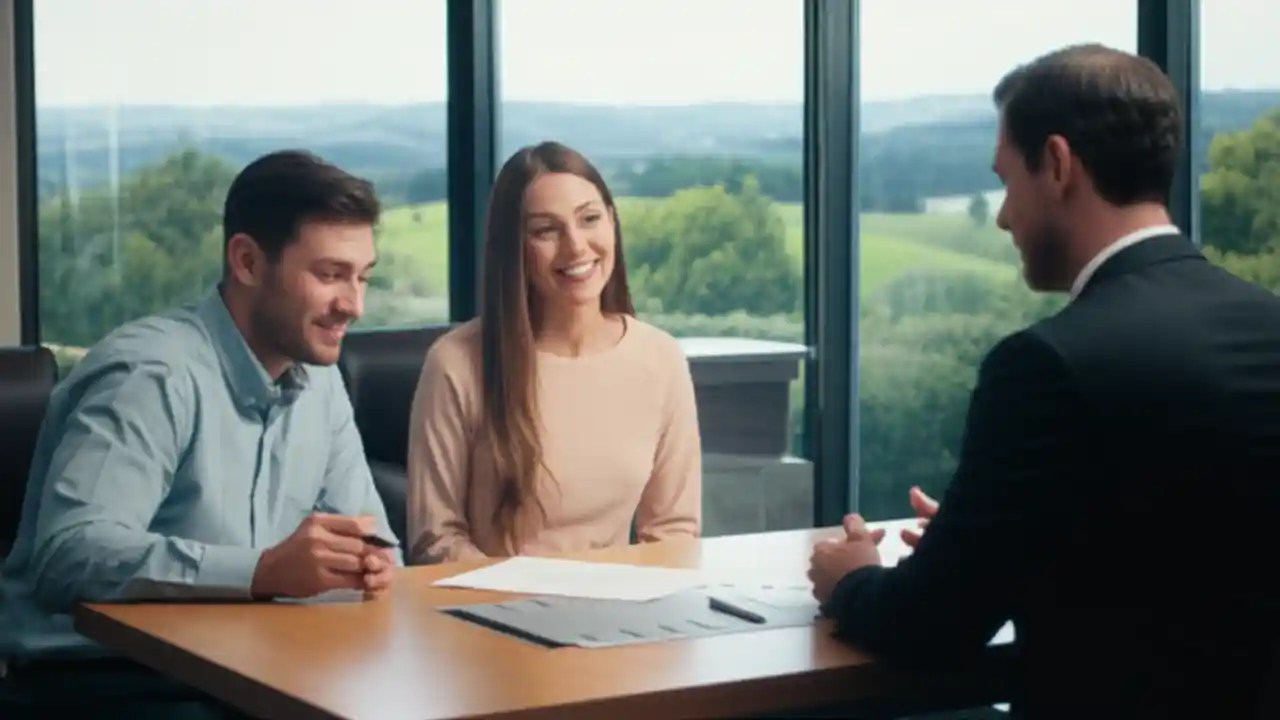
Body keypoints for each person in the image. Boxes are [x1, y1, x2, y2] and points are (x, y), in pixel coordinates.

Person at [809, 43, 1280, 719]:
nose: (1003, 216)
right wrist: (996, 537)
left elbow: (929, 628)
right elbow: (1186, 551)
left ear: (1057, 165)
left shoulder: (1047, 365)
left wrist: (851, 579)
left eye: (1006, 182)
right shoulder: (1269, 325)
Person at [0, 149, 400, 718]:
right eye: (330, 274)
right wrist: (262, 571)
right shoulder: (153, 373)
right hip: (108, 685)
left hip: (255, 670)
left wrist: (369, 564)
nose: (353, 305)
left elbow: (379, 547)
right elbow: (70, 553)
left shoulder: (320, 379)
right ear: (247, 261)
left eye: (363, 277)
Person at [406, 141, 701, 564]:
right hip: (490, 613)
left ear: (612, 222)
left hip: (617, 615)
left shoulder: (660, 357)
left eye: (590, 219)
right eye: (546, 230)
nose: (576, 246)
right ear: (514, 249)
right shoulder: (456, 362)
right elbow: (436, 540)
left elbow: (674, 534)